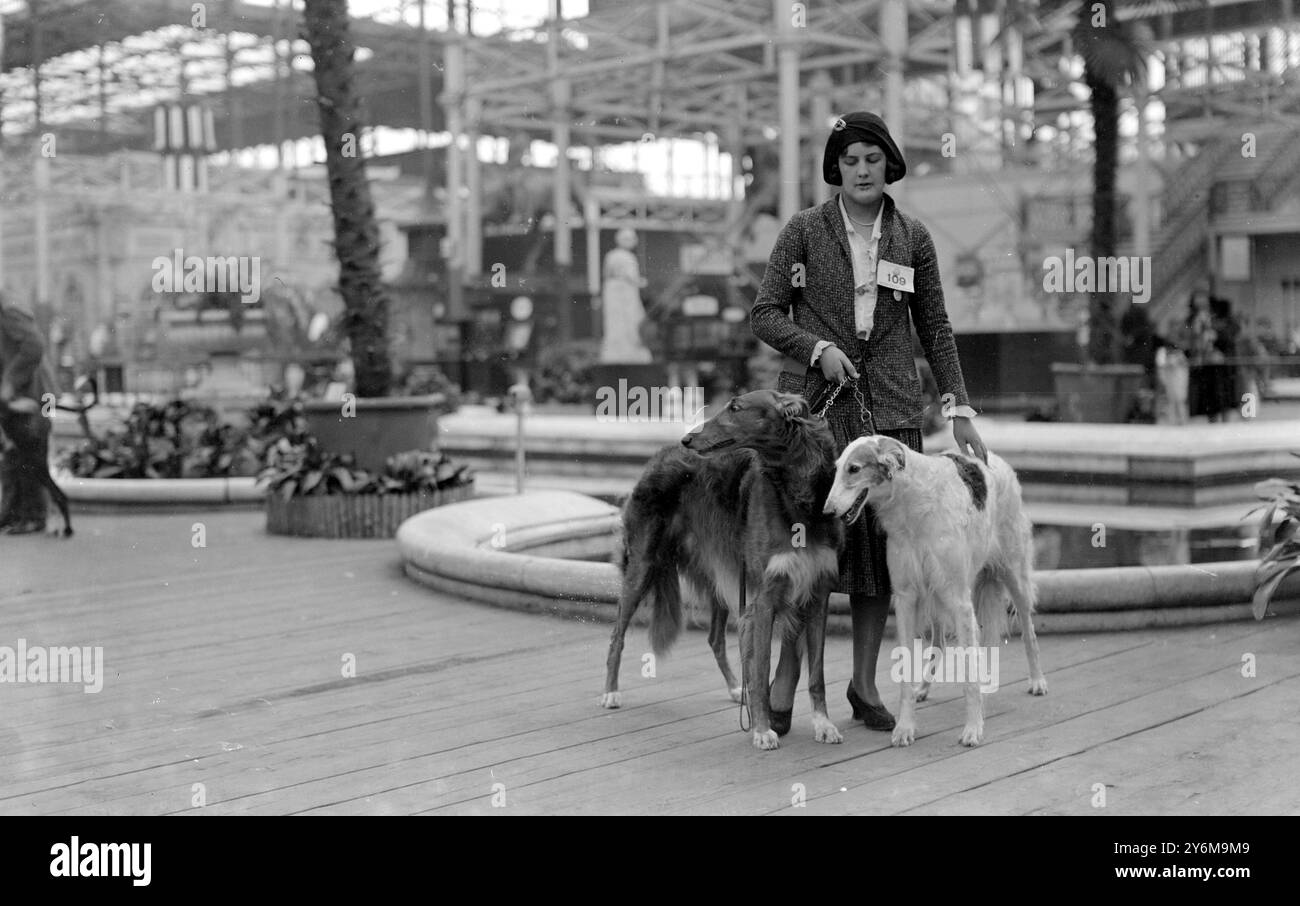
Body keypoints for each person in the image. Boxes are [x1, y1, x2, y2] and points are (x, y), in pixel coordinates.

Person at [751, 111, 986, 731]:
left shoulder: (913, 237)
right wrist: (815, 350)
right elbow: (765, 313)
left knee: (886, 558)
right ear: (836, 167)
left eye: (873, 159)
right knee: (815, 549)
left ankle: (863, 685)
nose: (861, 170)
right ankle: (784, 680)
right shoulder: (802, 231)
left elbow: (934, 327)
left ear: (889, 167)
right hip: (820, 416)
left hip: (892, 416)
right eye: (850, 159)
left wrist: (958, 409)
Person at [0, 296, 56, 534]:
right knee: (13, 450)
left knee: (30, 450)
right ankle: (14, 513)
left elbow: (34, 345)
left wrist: (10, 380)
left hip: (36, 393)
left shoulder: (8, 311)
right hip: (22, 394)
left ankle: (34, 516)